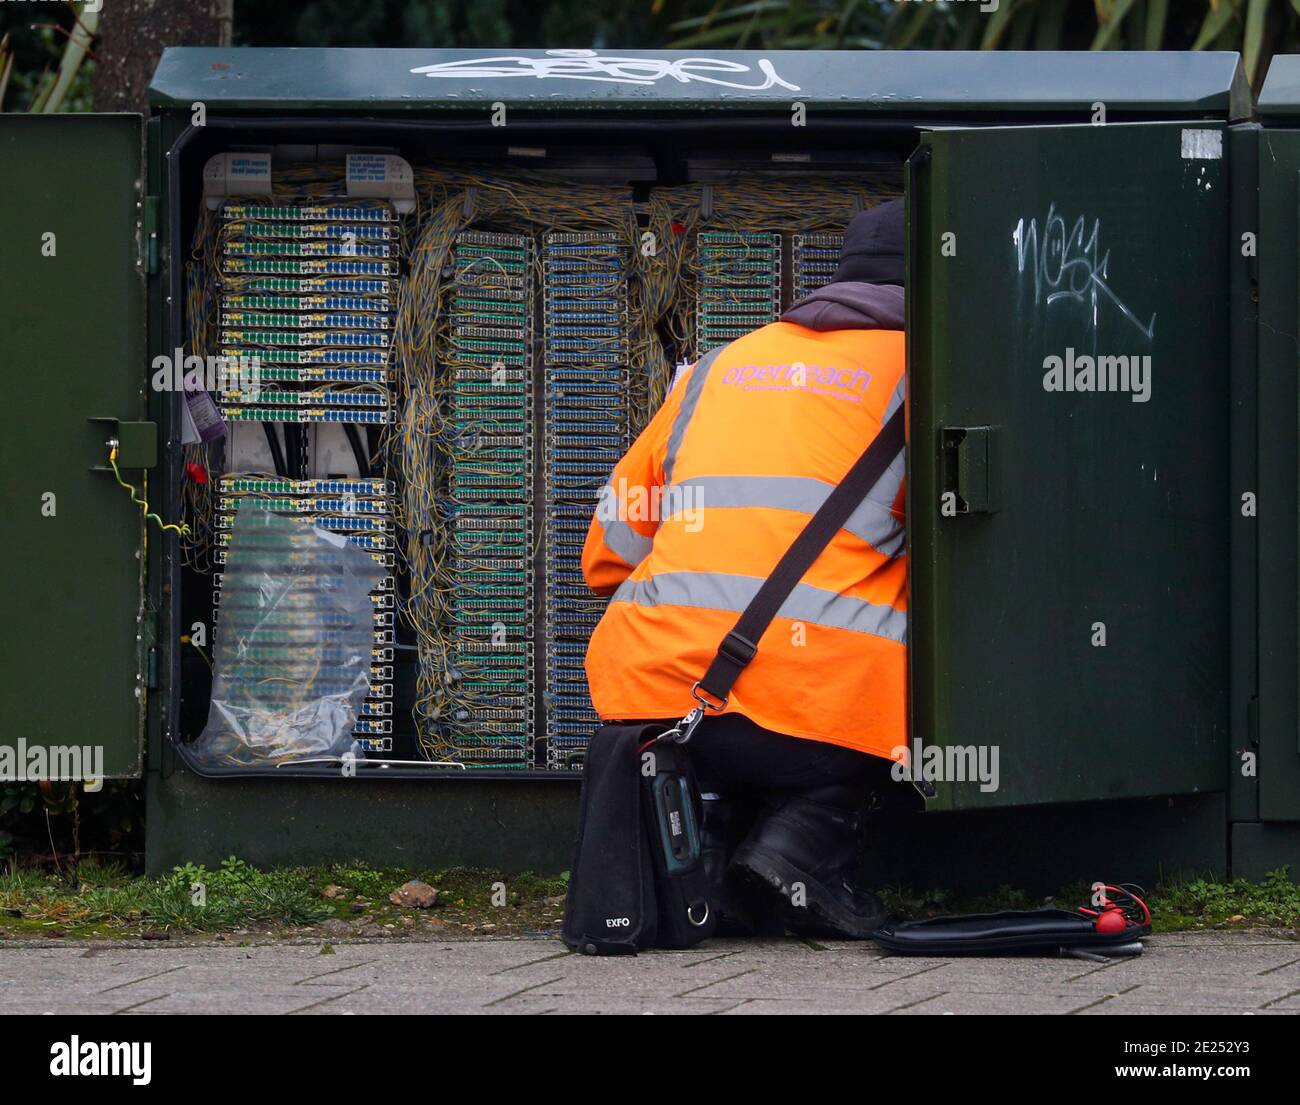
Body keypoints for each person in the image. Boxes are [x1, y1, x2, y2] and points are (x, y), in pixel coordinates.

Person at [581, 198, 908, 939]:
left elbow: (607, 555)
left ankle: (726, 859)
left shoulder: (716, 368)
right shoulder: (933, 375)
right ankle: (804, 845)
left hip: (654, 707)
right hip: (816, 714)